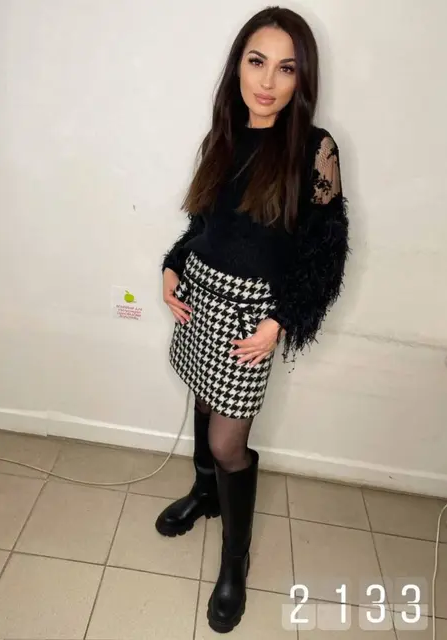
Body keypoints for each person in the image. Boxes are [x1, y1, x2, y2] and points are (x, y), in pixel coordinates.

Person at [156, 5, 349, 634]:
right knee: (202, 398)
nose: (267, 81)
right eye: (256, 61)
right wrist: (173, 265)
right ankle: (204, 494)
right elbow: (205, 226)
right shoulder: (223, 134)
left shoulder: (315, 149)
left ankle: (234, 561)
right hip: (200, 297)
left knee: (227, 443)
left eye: (285, 68)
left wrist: (282, 321)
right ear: (237, 65)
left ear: (302, 78)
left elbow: (325, 252)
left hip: (253, 314)